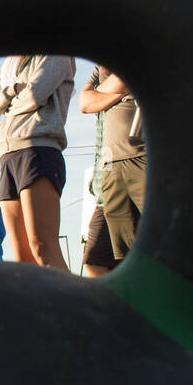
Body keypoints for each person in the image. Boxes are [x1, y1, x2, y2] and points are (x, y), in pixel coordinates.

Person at [0, 55, 75, 269]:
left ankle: (72, 302)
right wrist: (13, 89)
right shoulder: (8, 65)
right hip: (7, 153)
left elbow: (34, 95)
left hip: (38, 148)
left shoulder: (55, 55)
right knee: (24, 259)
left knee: (42, 246)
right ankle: (39, 303)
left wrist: (4, 108)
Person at [80, 66, 144, 263]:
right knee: (123, 255)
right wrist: (117, 94)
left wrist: (100, 97)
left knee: (162, 241)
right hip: (111, 164)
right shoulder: (98, 67)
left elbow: (123, 79)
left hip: (142, 156)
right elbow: (84, 103)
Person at [80, 106, 118, 277]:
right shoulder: (98, 80)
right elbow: (85, 103)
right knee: (93, 262)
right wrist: (98, 174)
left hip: (130, 183)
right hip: (104, 194)